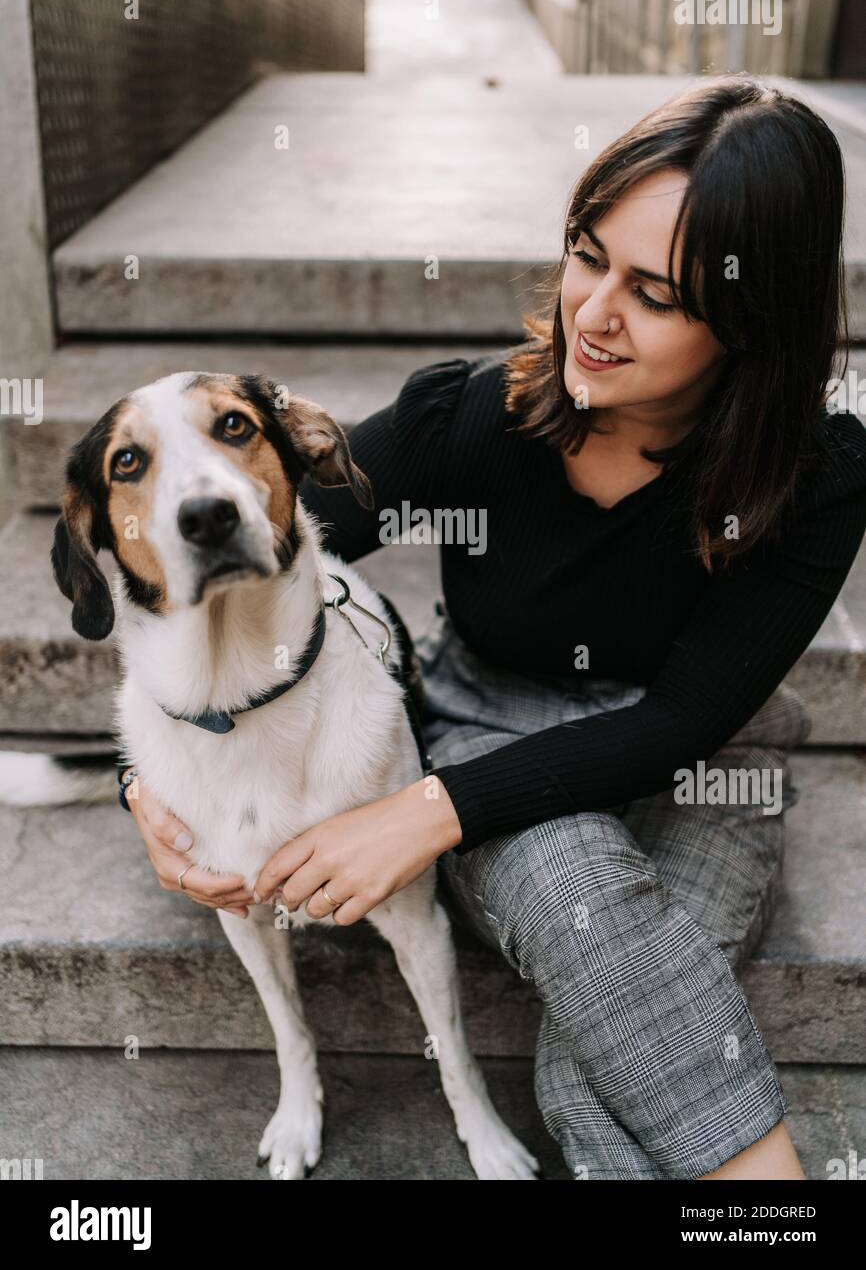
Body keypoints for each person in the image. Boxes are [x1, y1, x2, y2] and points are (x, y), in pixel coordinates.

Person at [129, 75, 866, 1179]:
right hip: (490, 729)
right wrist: (147, 787)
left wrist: (421, 812)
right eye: (586, 254)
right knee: (570, 880)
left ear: (751, 319)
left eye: (655, 294)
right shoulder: (470, 417)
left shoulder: (816, 475)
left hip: (701, 768)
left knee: (584, 1082)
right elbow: (237, 554)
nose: (593, 313)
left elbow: (683, 718)